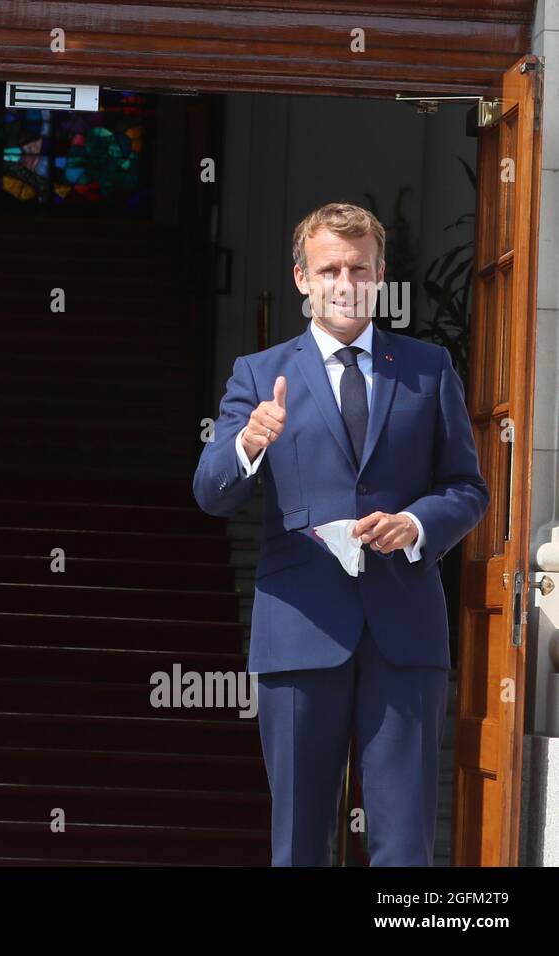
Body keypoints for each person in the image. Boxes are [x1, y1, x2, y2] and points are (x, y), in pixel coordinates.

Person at [193, 202, 488, 865]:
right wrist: (247, 442)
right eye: (330, 268)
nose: (345, 281)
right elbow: (211, 493)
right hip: (300, 633)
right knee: (299, 840)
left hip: (404, 634)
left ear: (380, 274)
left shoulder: (428, 368)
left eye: (359, 267)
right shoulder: (258, 374)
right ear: (302, 278)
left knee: (404, 841)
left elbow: (469, 490)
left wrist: (415, 523)